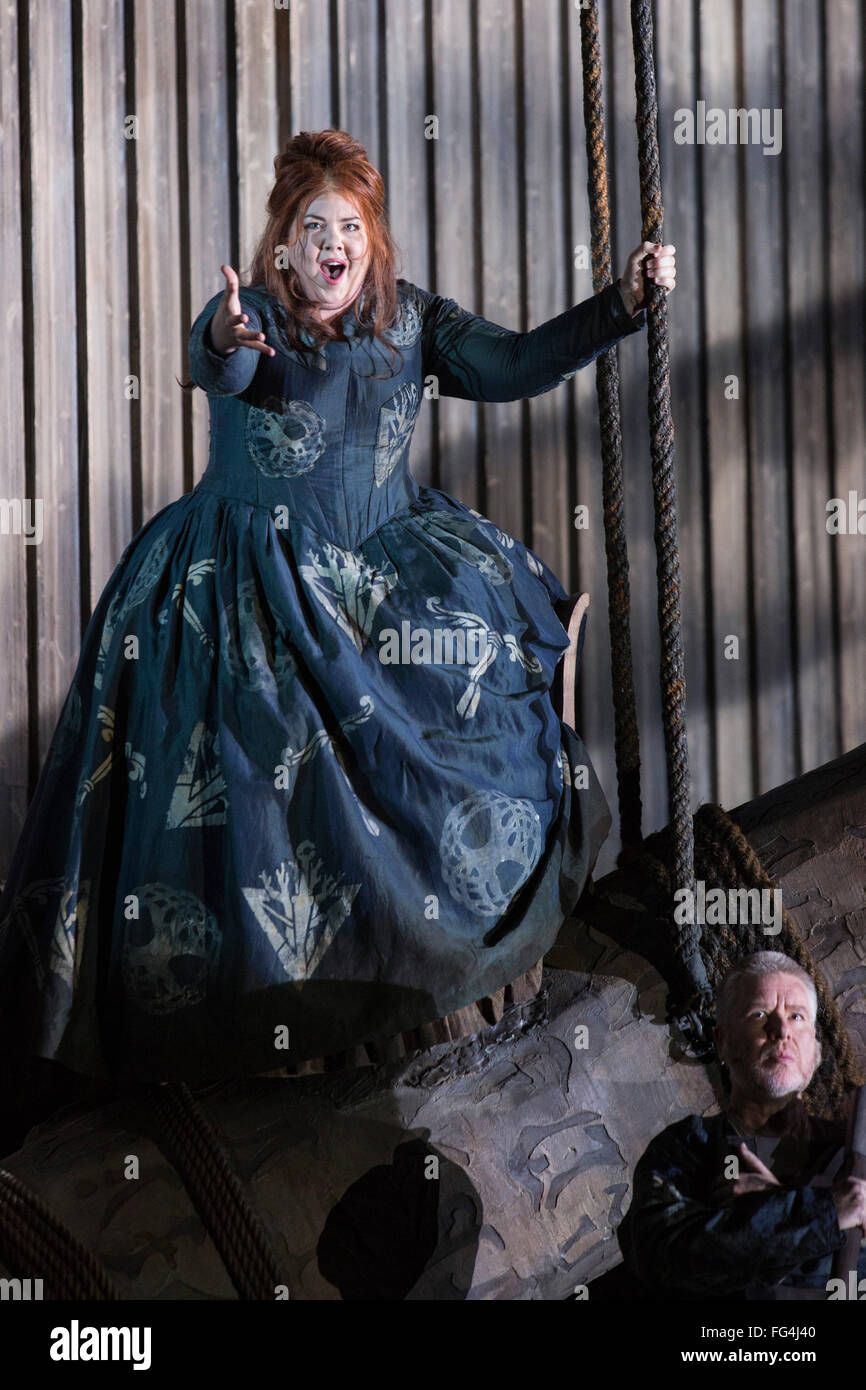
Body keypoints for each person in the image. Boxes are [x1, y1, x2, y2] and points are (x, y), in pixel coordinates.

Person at [0, 128, 675, 1108]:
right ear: (281, 243)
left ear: (370, 239)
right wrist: (225, 340)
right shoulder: (252, 318)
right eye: (310, 226)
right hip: (239, 574)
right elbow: (216, 363)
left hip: (381, 570)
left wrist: (617, 307)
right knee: (242, 788)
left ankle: (419, 1013)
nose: (328, 244)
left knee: (451, 720)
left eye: (346, 226)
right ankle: (237, 1063)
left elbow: (517, 363)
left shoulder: (413, 327)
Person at [617, 950, 866, 1299]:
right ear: (723, 1042)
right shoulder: (688, 1148)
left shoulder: (849, 1151)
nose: (781, 1031)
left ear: (815, 1051)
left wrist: (778, 1206)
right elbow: (666, 1257)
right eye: (760, 1014)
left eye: (797, 1017)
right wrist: (826, 1214)